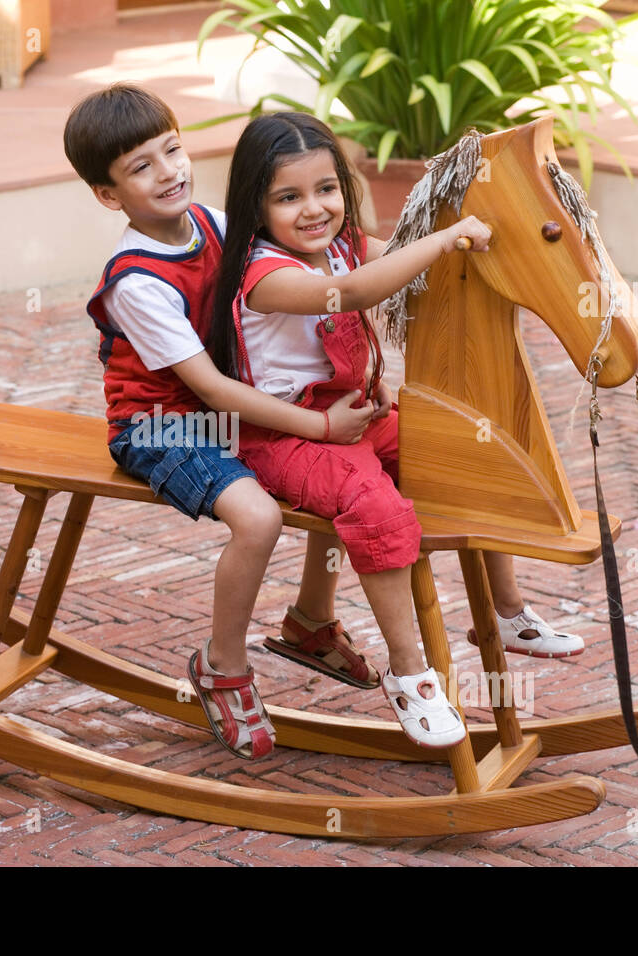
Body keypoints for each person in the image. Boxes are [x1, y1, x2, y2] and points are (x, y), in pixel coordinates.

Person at [208, 111, 578, 748]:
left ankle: (508, 610)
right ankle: (411, 675)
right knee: (377, 509)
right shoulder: (263, 275)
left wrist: (490, 237)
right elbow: (350, 293)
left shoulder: (340, 240)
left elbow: (400, 261)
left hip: (354, 417)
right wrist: (443, 238)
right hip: (285, 436)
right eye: (288, 197)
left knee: (463, 451)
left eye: (326, 189)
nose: (314, 209)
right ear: (254, 203)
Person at [63, 84, 384, 759]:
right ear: (108, 193)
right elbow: (207, 386)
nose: (169, 171)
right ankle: (224, 665)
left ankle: (311, 622)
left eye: (172, 150)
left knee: (353, 466)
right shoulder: (136, 280)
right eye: (141, 167)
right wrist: (318, 427)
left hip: (229, 402)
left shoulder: (214, 221)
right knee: (259, 517)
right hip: (163, 423)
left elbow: (337, 256)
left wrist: (422, 246)